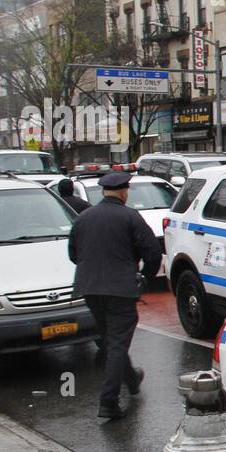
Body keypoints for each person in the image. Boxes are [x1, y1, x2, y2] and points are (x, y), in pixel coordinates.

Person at [68, 170, 163, 420]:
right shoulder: (130, 217)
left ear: (103, 192)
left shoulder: (83, 218)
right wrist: (146, 277)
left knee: (112, 339)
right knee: (117, 343)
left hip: (89, 288)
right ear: (124, 191)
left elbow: (73, 255)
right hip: (120, 289)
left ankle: (131, 379)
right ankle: (108, 401)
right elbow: (152, 253)